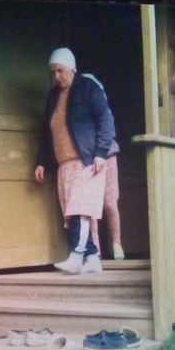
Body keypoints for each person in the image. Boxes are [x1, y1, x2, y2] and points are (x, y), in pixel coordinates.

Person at [34, 47, 116, 274]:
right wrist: (41, 161)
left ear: (71, 68)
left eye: (60, 70)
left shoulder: (88, 88)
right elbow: (46, 132)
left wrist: (100, 153)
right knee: (71, 212)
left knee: (80, 208)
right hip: (64, 164)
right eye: (53, 72)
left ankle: (77, 255)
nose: (56, 76)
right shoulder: (53, 96)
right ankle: (92, 258)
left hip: (87, 160)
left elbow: (106, 121)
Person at [89, 138, 126, 260]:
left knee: (110, 203)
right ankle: (95, 248)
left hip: (107, 154)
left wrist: (100, 153)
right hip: (87, 157)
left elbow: (107, 130)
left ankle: (116, 243)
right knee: (90, 206)